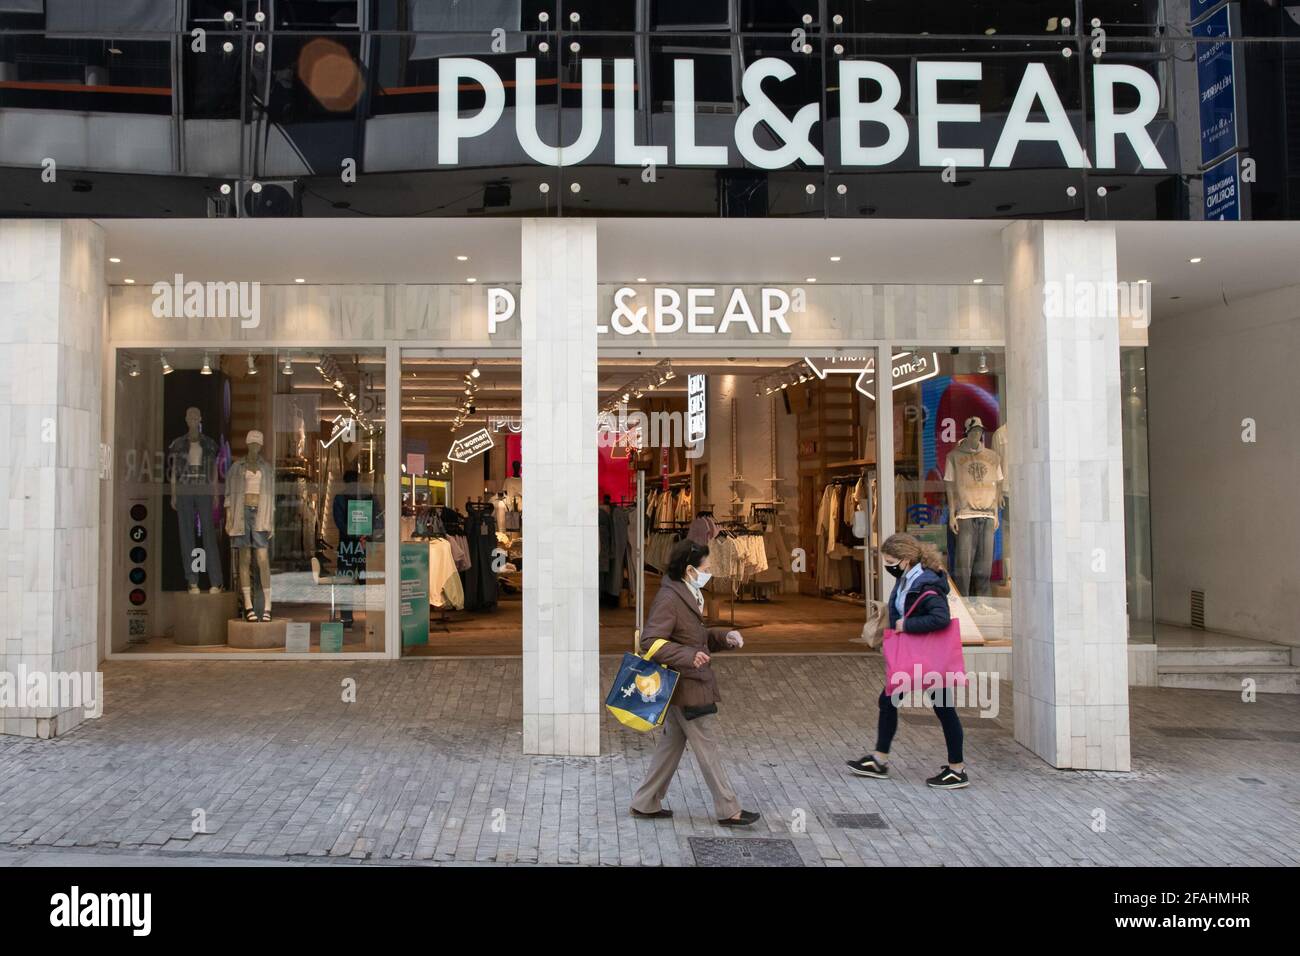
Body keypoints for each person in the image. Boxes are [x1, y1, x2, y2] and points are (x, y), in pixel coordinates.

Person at [630, 540, 761, 826]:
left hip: (684, 684)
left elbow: (693, 635)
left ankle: (645, 802)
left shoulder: (687, 593)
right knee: (707, 748)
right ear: (690, 569)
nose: (709, 571)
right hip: (688, 685)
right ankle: (729, 809)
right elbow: (650, 642)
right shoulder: (671, 598)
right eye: (706, 567)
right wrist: (689, 656)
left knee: (670, 746)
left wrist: (724, 636)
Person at [847, 533, 969, 789]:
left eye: (890, 561)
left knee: (944, 708)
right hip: (918, 656)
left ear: (905, 560)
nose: (887, 566)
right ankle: (880, 760)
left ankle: (957, 770)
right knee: (889, 700)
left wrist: (907, 624)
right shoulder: (910, 578)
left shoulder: (926, 583)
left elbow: (940, 618)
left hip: (927, 656)